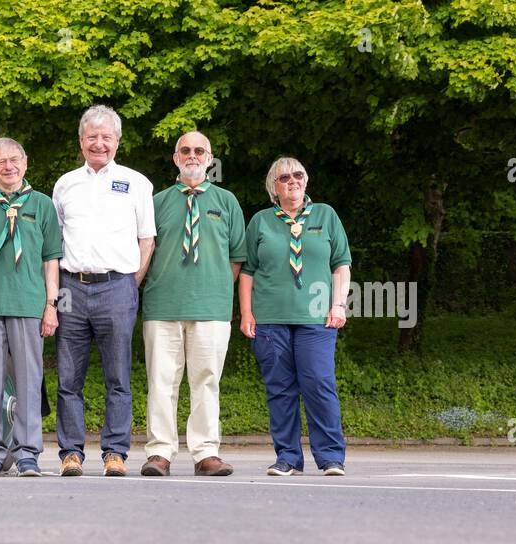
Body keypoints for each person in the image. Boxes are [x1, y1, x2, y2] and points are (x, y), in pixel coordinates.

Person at [51, 105, 156, 478]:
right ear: (81, 141)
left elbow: (147, 240)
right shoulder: (64, 185)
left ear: (117, 141)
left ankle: (115, 453)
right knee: (68, 378)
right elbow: (55, 242)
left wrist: (130, 283)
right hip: (71, 289)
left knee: (118, 377)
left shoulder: (137, 183)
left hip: (117, 288)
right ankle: (71, 453)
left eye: (106, 137)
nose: (99, 143)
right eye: (92, 136)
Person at [139, 132, 245, 478]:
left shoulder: (227, 201)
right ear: (175, 158)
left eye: (200, 151)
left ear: (210, 158)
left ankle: (205, 452)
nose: (193, 155)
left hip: (211, 308)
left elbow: (236, 259)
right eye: (186, 150)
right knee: (161, 381)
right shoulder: (157, 202)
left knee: (206, 381)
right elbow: (143, 250)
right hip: (162, 305)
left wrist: (211, 288)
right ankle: (160, 453)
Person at [239, 158, 352, 477]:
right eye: (284, 177)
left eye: (298, 175)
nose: (293, 181)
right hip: (270, 319)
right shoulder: (261, 221)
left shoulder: (326, 215)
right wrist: (247, 312)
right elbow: (248, 271)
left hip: (316, 318)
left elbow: (340, 264)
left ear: (306, 180)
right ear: (273, 187)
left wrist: (338, 304)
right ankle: (287, 457)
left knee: (319, 382)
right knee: (280, 388)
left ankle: (331, 456)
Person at [0, 138, 63, 477]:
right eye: (0, 161)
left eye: (14, 159)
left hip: (29, 305)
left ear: (25, 163)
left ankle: (28, 453)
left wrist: (51, 306)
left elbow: (51, 261)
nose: (8, 166)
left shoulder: (42, 205)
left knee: (29, 382)